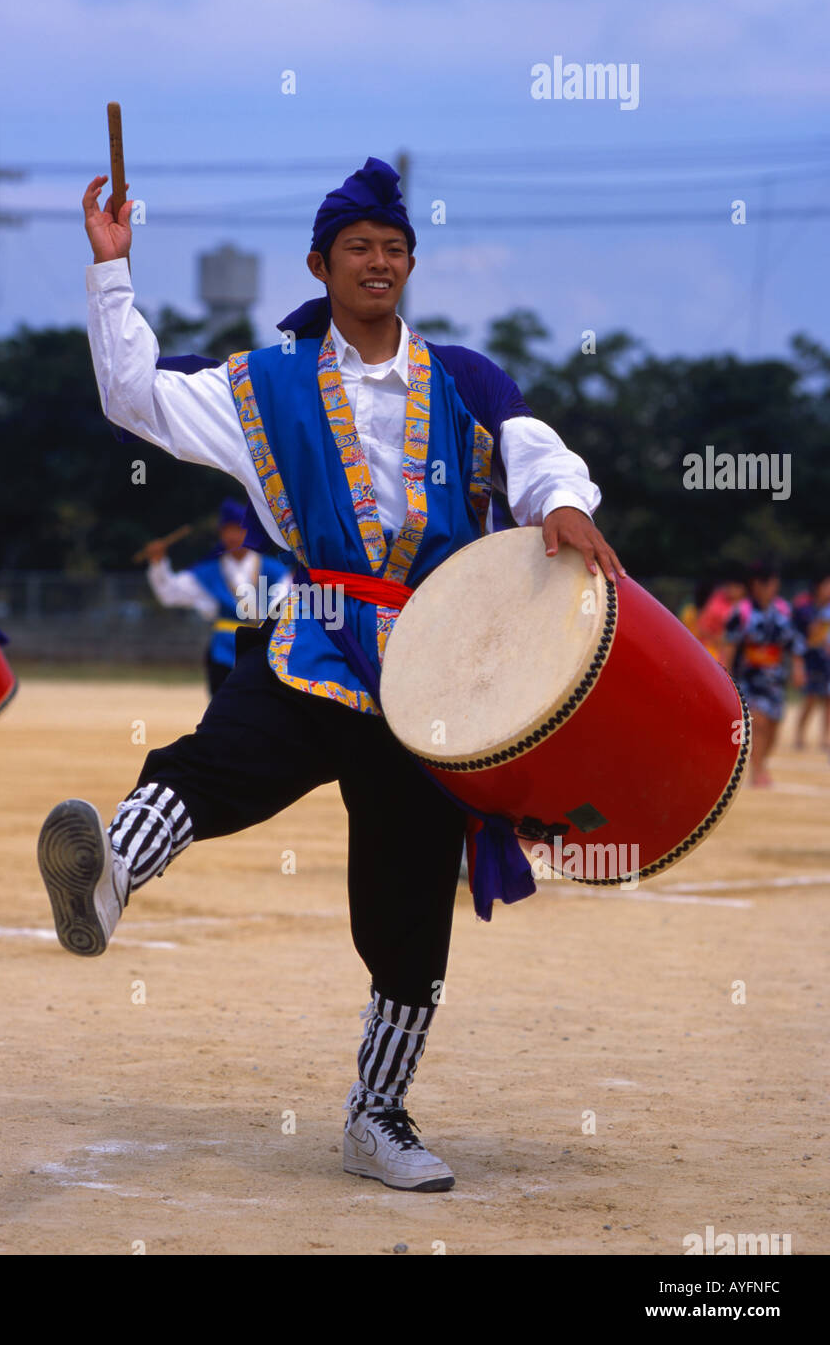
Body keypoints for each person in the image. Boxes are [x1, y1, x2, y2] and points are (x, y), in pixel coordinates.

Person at [38, 156, 623, 1193]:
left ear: (410, 265)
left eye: (396, 248)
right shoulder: (264, 384)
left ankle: (377, 1116)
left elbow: (537, 451)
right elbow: (135, 397)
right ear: (321, 263)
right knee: (216, 762)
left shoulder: (466, 379)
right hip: (315, 633)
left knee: (406, 915)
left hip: (438, 671)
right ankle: (110, 874)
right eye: (361, 247)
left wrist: (560, 501)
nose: (382, 262)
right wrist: (112, 273)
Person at [144, 498, 291, 695]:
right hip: (223, 651)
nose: (232, 536)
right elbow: (169, 593)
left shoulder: (275, 571)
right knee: (221, 710)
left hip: (264, 650)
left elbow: (285, 607)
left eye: (238, 529)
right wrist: (158, 562)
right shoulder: (208, 573)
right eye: (227, 530)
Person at [722, 562, 804, 787]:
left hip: (775, 680)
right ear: (757, 585)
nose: (774, 588)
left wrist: (798, 669)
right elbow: (729, 645)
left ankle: (761, 763)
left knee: (774, 725)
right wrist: (724, 675)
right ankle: (758, 770)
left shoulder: (783, 611)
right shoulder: (742, 611)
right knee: (758, 724)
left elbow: (794, 643)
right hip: (749, 679)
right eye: (771, 583)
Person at [791, 573, 830, 750]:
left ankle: (826, 736)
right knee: (810, 698)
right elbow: (801, 638)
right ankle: (800, 732)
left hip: (826, 661)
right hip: (811, 660)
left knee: (828, 699)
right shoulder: (806, 609)